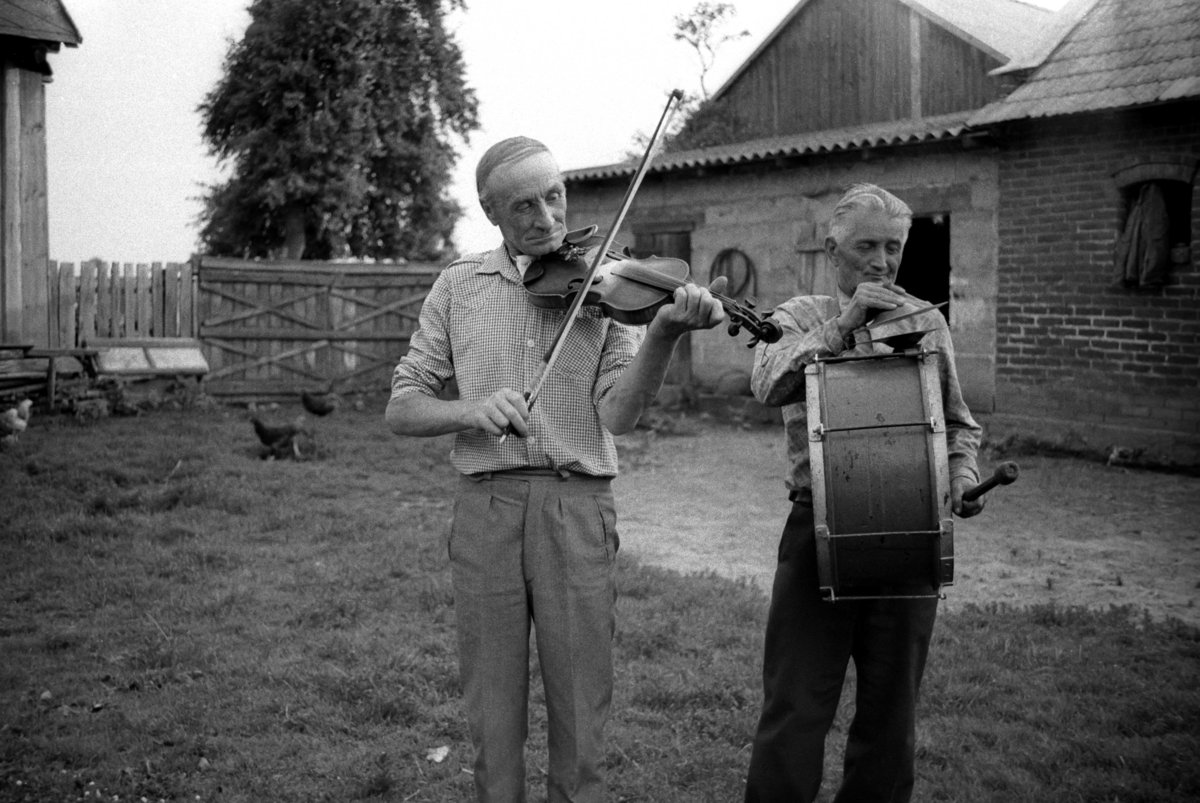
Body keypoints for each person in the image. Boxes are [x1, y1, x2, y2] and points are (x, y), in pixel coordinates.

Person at [385, 136, 726, 803]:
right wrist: (472, 409)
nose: (547, 218)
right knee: (492, 707)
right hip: (487, 508)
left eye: (555, 196)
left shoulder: (607, 284)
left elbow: (619, 414)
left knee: (580, 703)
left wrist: (660, 334)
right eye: (524, 207)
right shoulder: (458, 286)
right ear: (492, 214)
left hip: (577, 505)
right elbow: (401, 407)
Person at [743, 183, 984, 803]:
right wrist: (845, 325)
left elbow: (958, 423)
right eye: (865, 247)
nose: (881, 262)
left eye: (893, 248)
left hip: (911, 528)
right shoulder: (799, 316)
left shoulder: (925, 320)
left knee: (891, 711)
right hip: (816, 525)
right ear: (833, 250)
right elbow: (768, 384)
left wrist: (960, 476)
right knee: (796, 704)